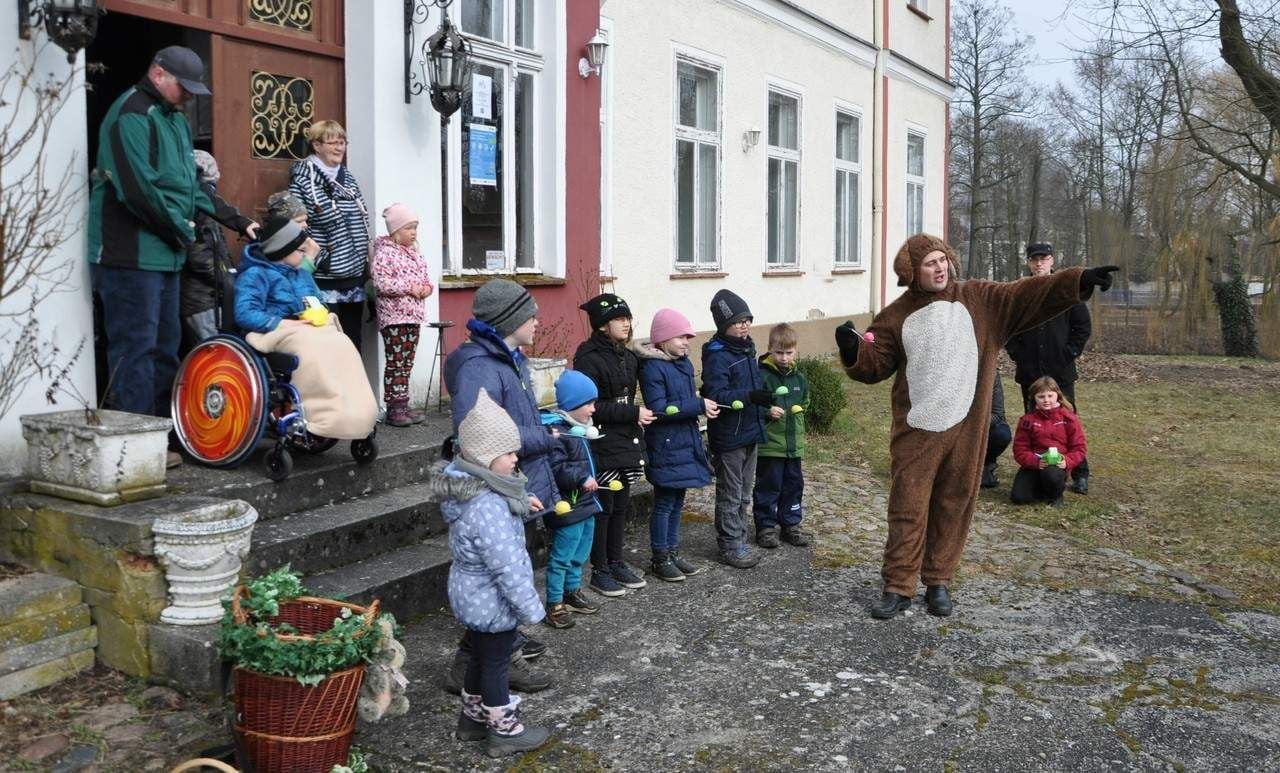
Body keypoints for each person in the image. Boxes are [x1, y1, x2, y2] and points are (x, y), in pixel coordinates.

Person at [835, 233, 1117, 620]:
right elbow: (875, 365)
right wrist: (853, 350)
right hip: (917, 430)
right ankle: (898, 585)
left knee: (954, 504)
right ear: (912, 271)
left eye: (942, 260)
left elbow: (1029, 294)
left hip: (967, 428)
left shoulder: (982, 300)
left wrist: (1078, 281)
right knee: (907, 507)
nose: (938, 268)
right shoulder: (897, 314)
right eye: (929, 263)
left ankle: (938, 582)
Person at [88, 46, 257, 436]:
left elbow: (191, 187)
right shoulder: (129, 114)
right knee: (135, 350)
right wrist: (182, 231)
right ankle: (133, 442)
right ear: (158, 73)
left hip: (166, 257)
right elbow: (137, 191)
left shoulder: (176, 122)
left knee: (166, 347)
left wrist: (238, 220)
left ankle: (162, 436)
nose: (189, 96)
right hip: (128, 256)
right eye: (184, 87)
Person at [441, 279, 560, 691]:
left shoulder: (509, 358)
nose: (537, 320)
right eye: (530, 314)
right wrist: (546, 437)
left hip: (513, 482)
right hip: (497, 487)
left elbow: (512, 421)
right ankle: (488, 661)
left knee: (515, 565)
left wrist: (545, 426)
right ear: (510, 320)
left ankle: (489, 652)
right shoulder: (480, 367)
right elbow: (478, 435)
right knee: (500, 572)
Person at [433, 388, 550, 758]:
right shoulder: (488, 507)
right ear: (485, 457)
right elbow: (508, 564)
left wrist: (520, 503)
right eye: (510, 453)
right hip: (491, 598)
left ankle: (471, 721)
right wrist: (531, 608)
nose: (517, 458)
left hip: (472, 593)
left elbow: (500, 503)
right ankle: (505, 731)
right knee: (496, 664)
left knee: (480, 658)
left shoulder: (476, 489)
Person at [233, 217, 378, 441]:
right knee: (314, 349)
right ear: (283, 249)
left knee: (343, 344)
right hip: (271, 330)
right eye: (301, 249)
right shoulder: (255, 274)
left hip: (306, 327)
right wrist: (283, 322)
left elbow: (317, 301)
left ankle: (357, 416)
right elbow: (244, 313)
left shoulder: (300, 273)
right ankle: (319, 417)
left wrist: (318, 314)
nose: (305, 254)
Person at [571, 294, 653, 597]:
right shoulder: (588, 358)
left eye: (628, 318)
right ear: (603, 325)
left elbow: (628, 398)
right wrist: (633, 413)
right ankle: (600, 569)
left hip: (626, 441)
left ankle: (617, 562)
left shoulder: (629, 356)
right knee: (604, 508)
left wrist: (636, 416)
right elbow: (590, 406)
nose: (627, 324)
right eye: (620, 319)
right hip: (602, 442)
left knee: (620, 506)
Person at [1005, 242, 1093, 494]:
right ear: (1029, 263)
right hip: (1030, 371)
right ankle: (1037, 472)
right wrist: (1017, 353)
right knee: (1033, 423)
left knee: (1069, 419)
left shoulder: (1065, 290)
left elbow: (1082, 327)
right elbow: (1009, 326)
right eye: (1034, 259)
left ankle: (1079, 472)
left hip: (1060, 370)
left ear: (1052, 260)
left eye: (1044, 258)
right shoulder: (1020, 292)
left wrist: (1069, 353)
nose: (1039, 263)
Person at [636, 309, 717, 582]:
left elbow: (685, 401)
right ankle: (660, 556)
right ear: (662, 339)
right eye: (681, 337)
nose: (686, 342)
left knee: (678, 501)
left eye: (688, 337)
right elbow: (659, 408)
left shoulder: (682, 363)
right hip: (666, 444)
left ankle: (673, 551)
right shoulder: (652, 367)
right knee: (664, 503)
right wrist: (697, 406)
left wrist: (701, 404)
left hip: (684, 440)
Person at [701, 290, 773, 569]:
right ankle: (730, 544)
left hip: (750, 431)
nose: (744, 325)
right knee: (731, 492)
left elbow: (750, 388)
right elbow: (717, 394)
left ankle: (740, 538)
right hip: (730, 435)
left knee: (745, 491)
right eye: (738, 321)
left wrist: (763, 401)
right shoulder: (718, 356)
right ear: (724, 325)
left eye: (748, 319)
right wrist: (750, 396)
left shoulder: (747, 348)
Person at [288, 120, 371, 352]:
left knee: (353, 340)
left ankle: (353, 387)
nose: (339, 148)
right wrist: (321, 257)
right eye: (333, 142)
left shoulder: (348, 178)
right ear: (316, 145)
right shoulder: (302, 180)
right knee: (326, 341)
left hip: (354, 276)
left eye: (342, 142)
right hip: (324, 278)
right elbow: (297, 227)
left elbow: (362, 218)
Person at [541, 371, 604, 628]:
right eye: (588, 404)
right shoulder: (557, 431)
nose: (593, 409)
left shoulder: (577, 429)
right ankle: (554, 603)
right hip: (568, 505)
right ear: (572, 404)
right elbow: (557, 467)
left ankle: (572, 590)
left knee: (580, 552)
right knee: (562, 555)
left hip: (586, 503)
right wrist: (581, 478)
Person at [179, 150, 255, 352]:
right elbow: (198, 255)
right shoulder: (198, 207)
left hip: (206, 296)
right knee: (213, 353)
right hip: (200, 298)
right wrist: (226, 280)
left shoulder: (202, 207)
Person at [371, 203, 433, 427]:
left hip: (413, 316)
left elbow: (426, 278)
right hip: (394, 318)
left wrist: (426, 288)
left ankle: (403, 404)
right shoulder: (385, 253)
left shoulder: (415, 254)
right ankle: (394, 408)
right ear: (396, 231)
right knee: (396, 362)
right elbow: (381, 283)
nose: (413, 232)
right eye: (409, 228)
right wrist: (409, 288)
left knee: (407, 362)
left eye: (415, 227)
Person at [753, 323, 812, 548]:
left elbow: (805, 400)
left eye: (788, 353)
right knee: (769, 485)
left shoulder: (799, 379)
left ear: (795, 351)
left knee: (794, 485)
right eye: (779, 352)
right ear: (769, 349)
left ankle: (791, 525)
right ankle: (766, 527)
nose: (784, 358)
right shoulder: (762, 376)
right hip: (771, 445)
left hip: (793, 445)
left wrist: (801, 408)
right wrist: (767, 411)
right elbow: (754, 405)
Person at [1010, 376, 1087, 506]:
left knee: (1052, 475)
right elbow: (1020, 449)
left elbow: (1079, 447)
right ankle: (1040, 487)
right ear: (1034, 398)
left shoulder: (1069, 418)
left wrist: (1066, 461)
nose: (1046, 400)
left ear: (1057, 395)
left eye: (1050, 396)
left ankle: (1056, 495)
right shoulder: (1027, 420)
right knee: (1019, 497)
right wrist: (1035, 462)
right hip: (1035, 463)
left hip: (1057, 465)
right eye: (1041, 397)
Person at [980, 378, 1013, 489]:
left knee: (1002, 434)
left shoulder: (991, 375)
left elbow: (998, 415)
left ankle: (987, 463)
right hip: (955, 426)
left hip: (980, 424)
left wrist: (973, 424)